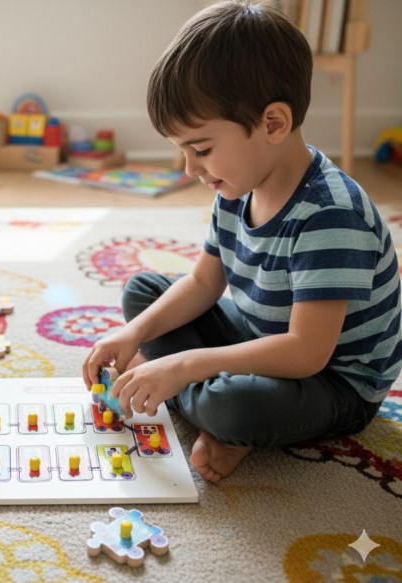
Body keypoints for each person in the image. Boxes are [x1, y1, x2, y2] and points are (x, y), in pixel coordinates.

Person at [83, 0, 401, 483]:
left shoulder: (331, 214)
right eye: (182, 151)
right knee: (143, 292)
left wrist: (181, 365)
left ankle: (227, 420)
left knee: (233, 407)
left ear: (272, 124)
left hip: (333, 382)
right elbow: (203, 283)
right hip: (261, 334)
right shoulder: (236, 185)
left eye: (202, 149)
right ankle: (204, 397)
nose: (191, 169)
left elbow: (305, 352)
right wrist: (135, 334)